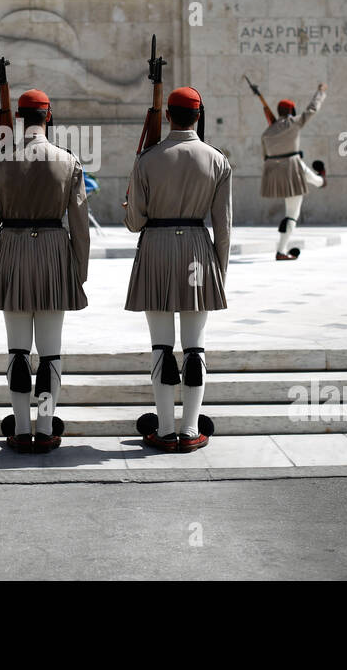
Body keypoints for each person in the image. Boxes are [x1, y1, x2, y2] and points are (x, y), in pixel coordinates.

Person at [123, 87, 232, 453]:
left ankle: (165, 428)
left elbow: (135, 222)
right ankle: (190, 429)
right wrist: (220, 271)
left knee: (161, 347)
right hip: (198, 253)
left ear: (168, 116)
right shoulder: (217, 159)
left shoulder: (147, 159)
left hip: (156, 248)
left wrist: (131, 204)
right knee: (195, 347)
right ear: (199, 116)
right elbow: (223, 225)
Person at [0, 89, 90, 453]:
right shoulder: (68, 160)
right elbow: (80, 225)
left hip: (13, 251)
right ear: (49, 117)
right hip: (54, 254)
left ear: (19, 119)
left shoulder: (0, 160)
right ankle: (45, 426)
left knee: (17, 351)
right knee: (50, 354)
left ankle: (21, 427)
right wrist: (80, 270)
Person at [260, 83, 328, 261]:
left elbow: (265, 156)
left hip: (275, 172)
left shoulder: (267, 133)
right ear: (291, 111)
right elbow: (312, 109)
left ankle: (320, 180)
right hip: (292, 169)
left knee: (304, 170)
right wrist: (320, 92)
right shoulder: (294, 123)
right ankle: (281, 251)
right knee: (292, 214)